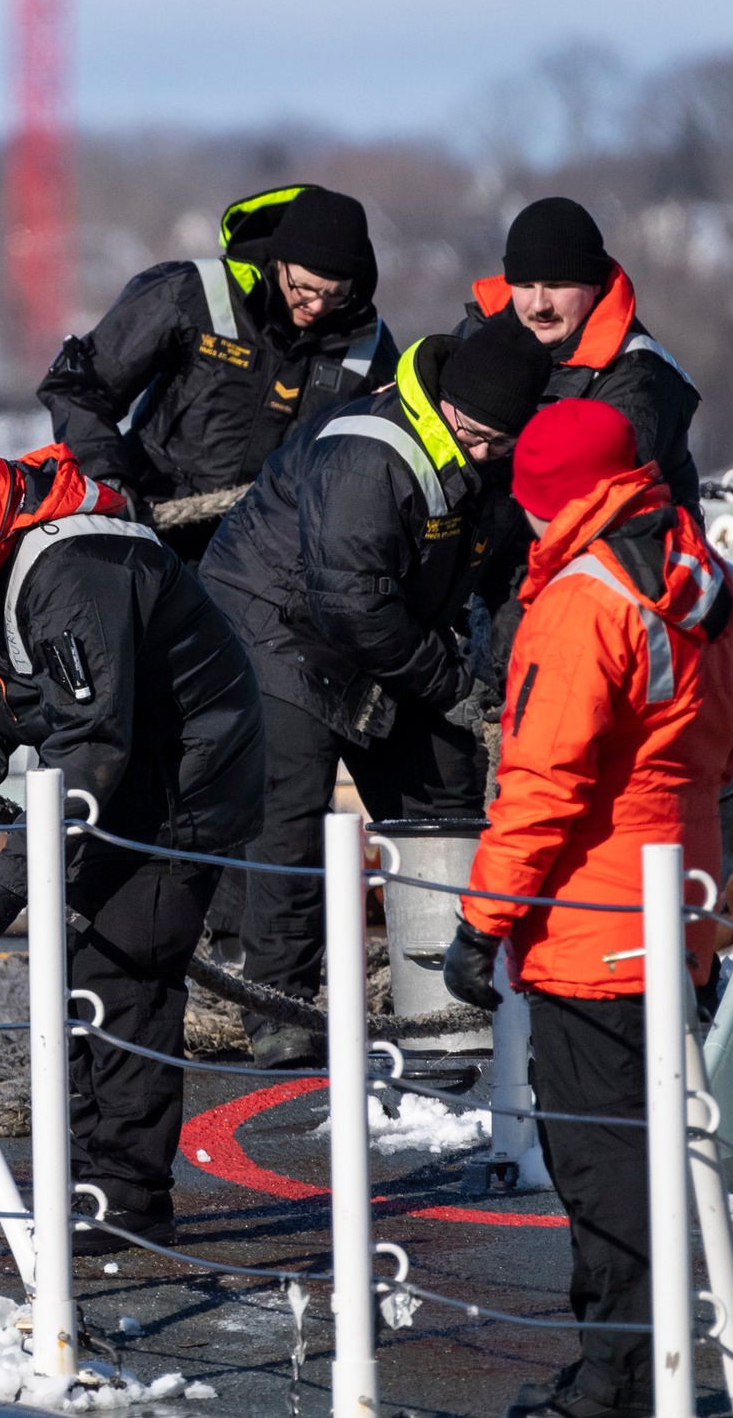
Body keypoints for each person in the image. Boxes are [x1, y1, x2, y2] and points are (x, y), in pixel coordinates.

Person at [0, 425, 264, 1250]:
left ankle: (126, 1200)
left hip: (183, 776)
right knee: (81, 962)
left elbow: (94, 739)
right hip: (117, 771)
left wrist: (10, 880)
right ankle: (88, 1177)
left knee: (126, 970)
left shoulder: (70, 567)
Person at [445, 398, 733, 1418]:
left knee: (597, 1160)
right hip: (677, 902)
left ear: (548, 497)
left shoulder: (581, 598)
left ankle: (619, 1382)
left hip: (588, 922)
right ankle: (624, 1367)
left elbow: (541, 783)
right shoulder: (695, 575)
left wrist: (479, 917)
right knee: (641, 1149)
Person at [199, 318, 554, 1067]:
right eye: (478, 437)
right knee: (290, 810)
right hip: (275, 623)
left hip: (388, 630)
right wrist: (456, 686)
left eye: (501, 443)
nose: (485, 454)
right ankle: (279, 1010)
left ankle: (452, 992)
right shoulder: (368, 456)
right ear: (448, 404)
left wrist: (493, 679)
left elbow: (504, 571)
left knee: (447, 791)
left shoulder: (489, 453)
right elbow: (352, 605)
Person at [36, 184, 398, 559]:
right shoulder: (189, 295)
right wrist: (106, 477)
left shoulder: (368, 346)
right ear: (279, 261)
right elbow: (78, 386)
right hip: (151, 531)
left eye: (335, 294)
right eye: (304, 288)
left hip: (274, 556)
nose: (318, 305)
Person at [460, 197, 701, 514]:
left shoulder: (636, 375)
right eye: (525, 285)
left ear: (595, 285)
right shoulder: (474, 337)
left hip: (611, 556)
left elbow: (587, 507)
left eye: (557, 285)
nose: (539, 305)